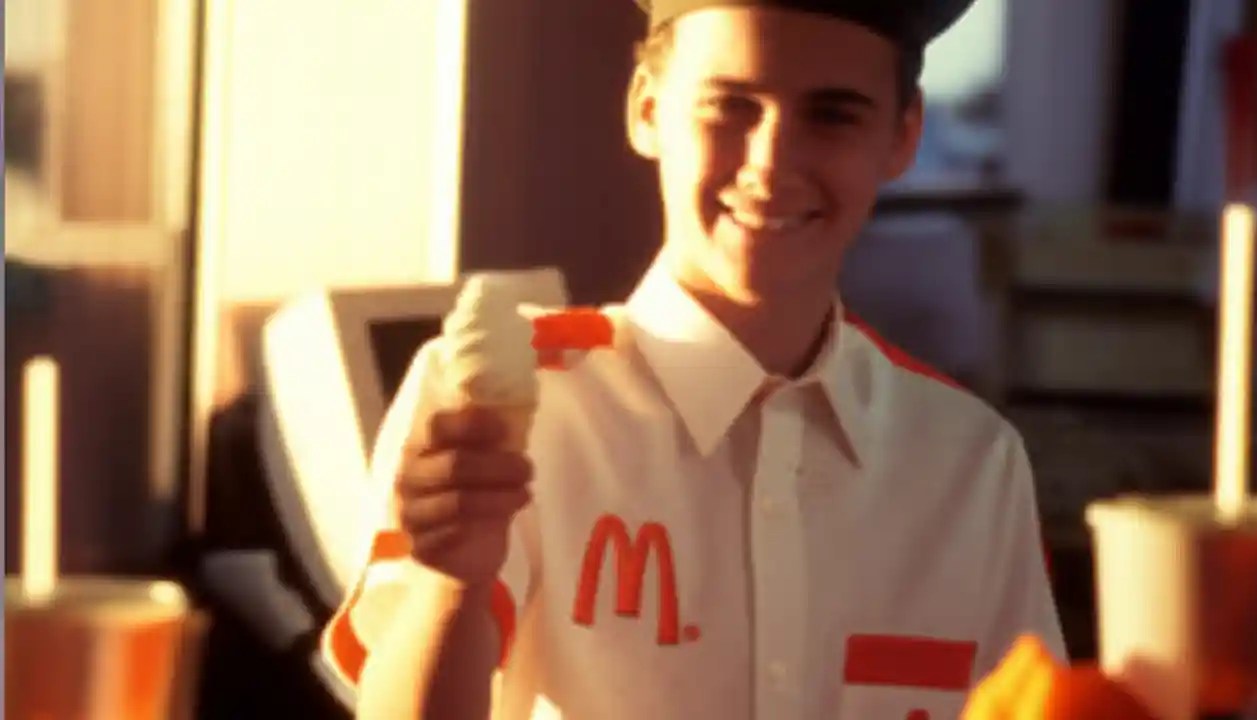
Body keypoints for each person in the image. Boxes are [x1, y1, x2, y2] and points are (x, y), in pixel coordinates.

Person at [323, 1, 1066, 718]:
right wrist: (448, 581)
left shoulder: (971, 460)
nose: (771, 163)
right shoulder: (505, 411)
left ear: (903, 137)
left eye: (832, 114)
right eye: (731, 106)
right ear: (647, 109)